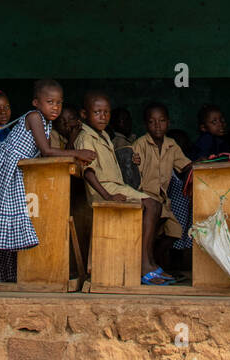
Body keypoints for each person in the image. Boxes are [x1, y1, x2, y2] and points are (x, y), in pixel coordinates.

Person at [0, 78, 94, 290]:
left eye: (59, 102)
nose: (55, 107)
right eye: (50, 102)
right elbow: (47, 151)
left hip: (9, 172)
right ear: (36, 103)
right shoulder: (34, 117)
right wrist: (78, 152)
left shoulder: (46, 123)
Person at [75, 91, 171, 285]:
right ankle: (144, 264)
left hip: (116, 187)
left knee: (156, 206)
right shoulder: (86, 138)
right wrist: (107, 195)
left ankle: (149, 261)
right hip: (104, 190)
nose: (103, 117)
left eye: (106, 112)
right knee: (152, 206)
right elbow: (88, 172)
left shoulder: (103, 136)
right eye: (97, 112)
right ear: (85, 114)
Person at [131, 103, 193, 254]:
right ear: (146, 124)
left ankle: (155, 260)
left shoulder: (171, 145)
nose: (157, 126)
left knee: (175, 231)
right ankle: (147, 261)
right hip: (144, 196)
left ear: (168, 123)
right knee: (150, 233)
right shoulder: (140, 144)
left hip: (162, 199)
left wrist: (199, 164)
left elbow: (185, 165)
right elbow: (132, 173)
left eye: (162, 121)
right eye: (152, 122)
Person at [109, 104, 139, 187]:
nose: (126, 123)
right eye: (121, 120)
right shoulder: (120, 143)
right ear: (112, 124)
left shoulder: (131, 140)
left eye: (128, 119)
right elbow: (128, 175)